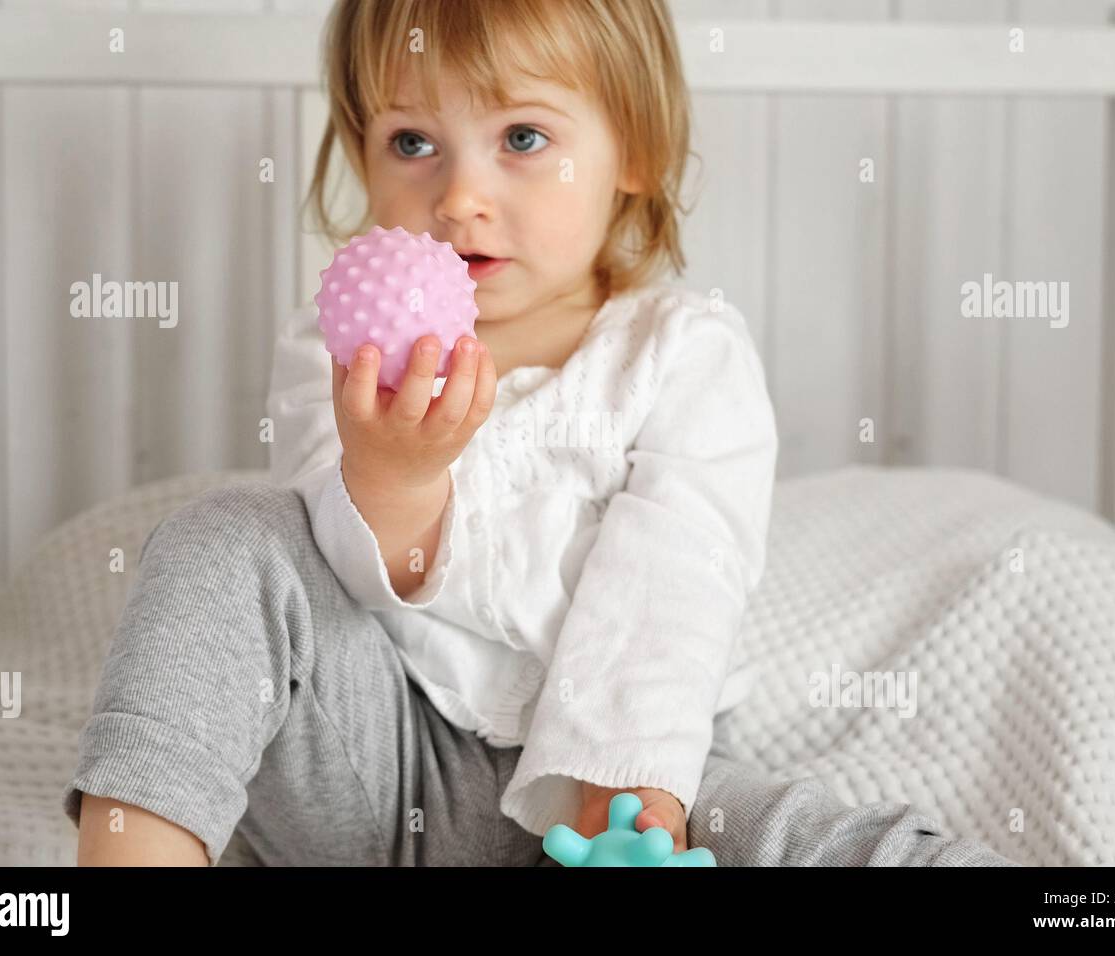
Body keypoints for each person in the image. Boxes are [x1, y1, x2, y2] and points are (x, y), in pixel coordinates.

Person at [62, 0, 1015, 867]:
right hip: (382, 767)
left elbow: (677, 579)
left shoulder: (682, 351)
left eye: (521, 137)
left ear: (631, 152)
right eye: (411, 141)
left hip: (626, 779)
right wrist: (396, 478)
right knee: (226, 533)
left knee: (814, 841)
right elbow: (336, 579)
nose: (460, 196)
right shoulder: (343, 345)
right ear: (359, 154)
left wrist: (628, 804)